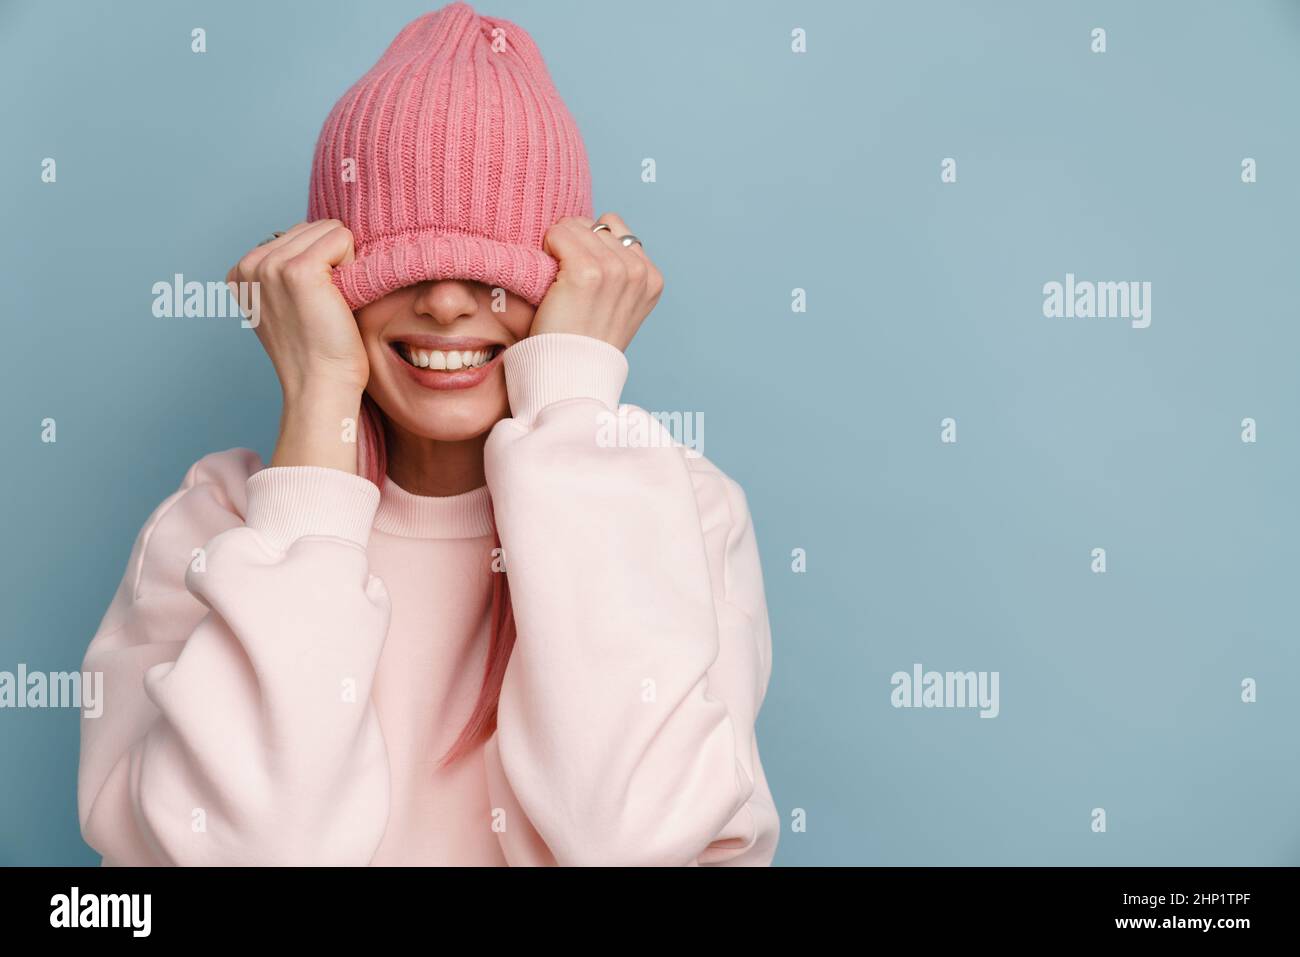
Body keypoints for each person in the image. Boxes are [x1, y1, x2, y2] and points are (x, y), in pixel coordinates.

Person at [77, 1, 778, 866]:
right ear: (328, 284)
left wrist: (572, 401)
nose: (448, 302)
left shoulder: (683, 510)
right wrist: (320, 401)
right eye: (403, 262)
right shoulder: (213, 531)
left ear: (571, 288)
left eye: (492, 272)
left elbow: (631, 842)